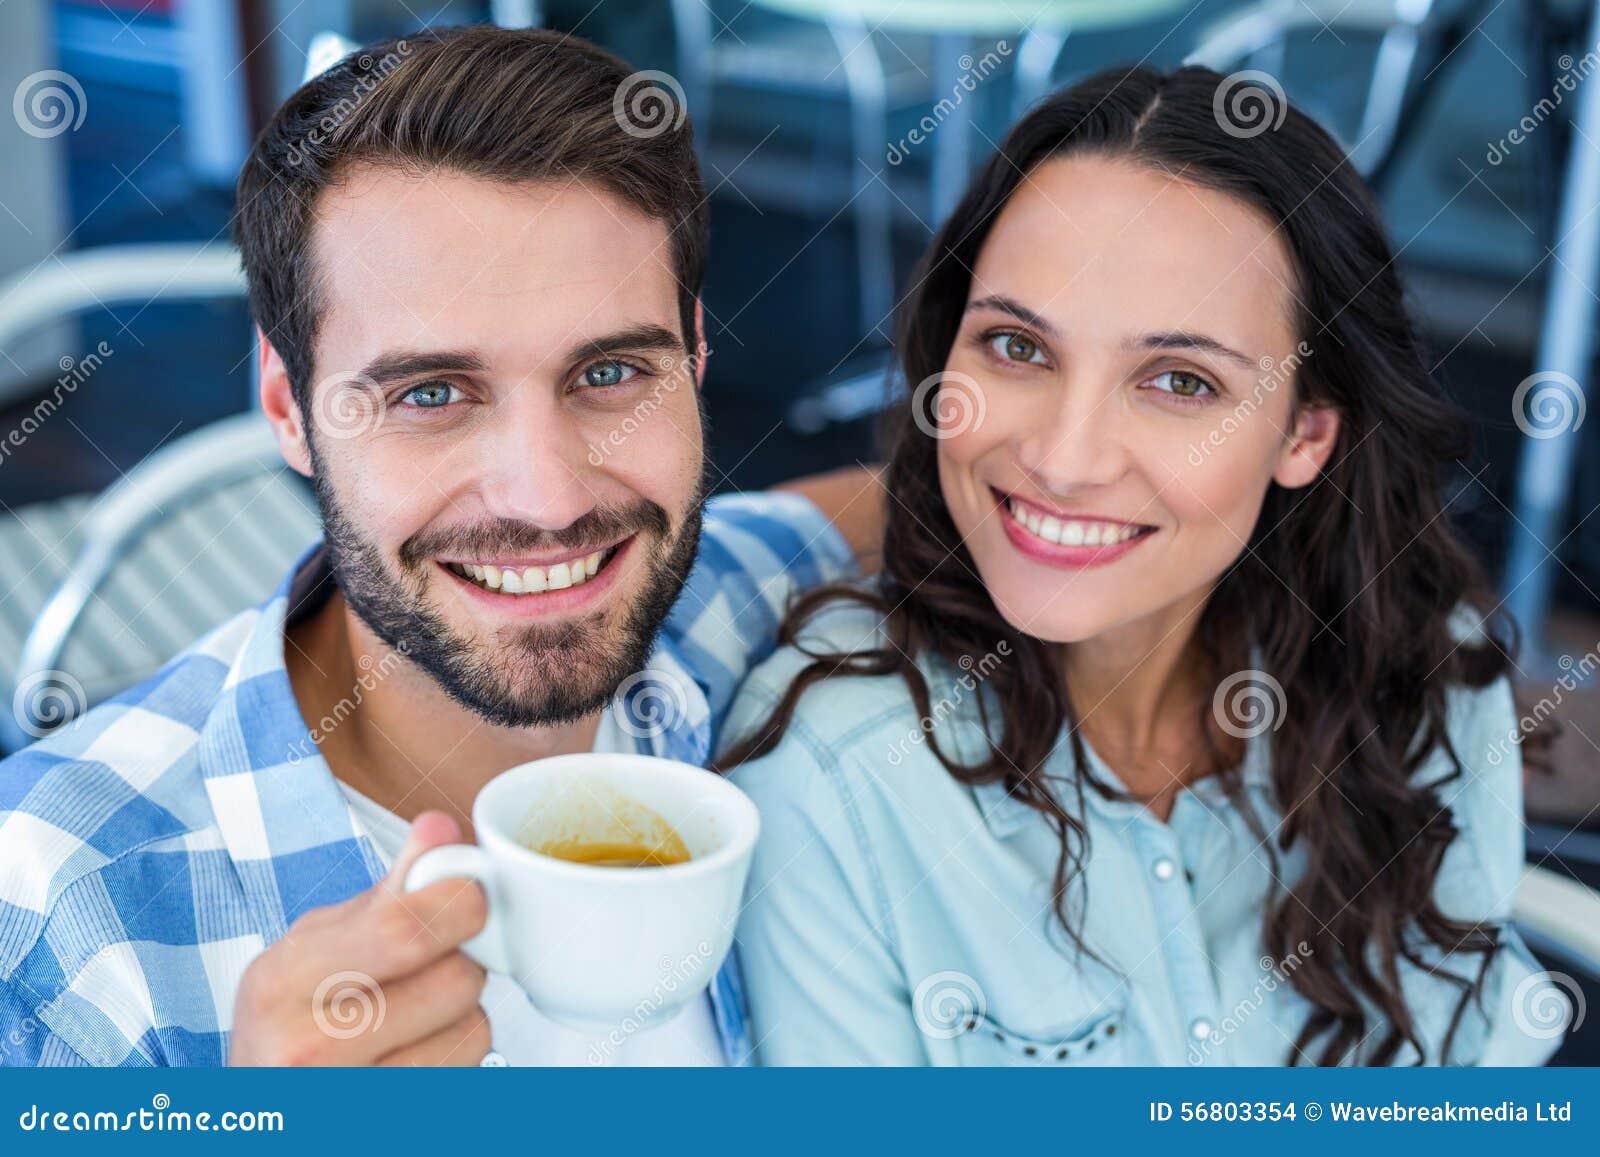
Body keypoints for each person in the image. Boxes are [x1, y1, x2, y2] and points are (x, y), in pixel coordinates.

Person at [0, 26, 880, 1068]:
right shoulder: (55, 915)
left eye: (609, 374)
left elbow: (932, 498)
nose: (548, 499)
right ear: (288, 407)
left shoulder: (733, 604)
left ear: (692, 355)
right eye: (430, 393)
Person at [720, 65, 1561, 1066]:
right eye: (1018, 347)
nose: (1063, 460)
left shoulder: (1421, 669)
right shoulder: (838, 774)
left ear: (1305, 431)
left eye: (1177, 381)